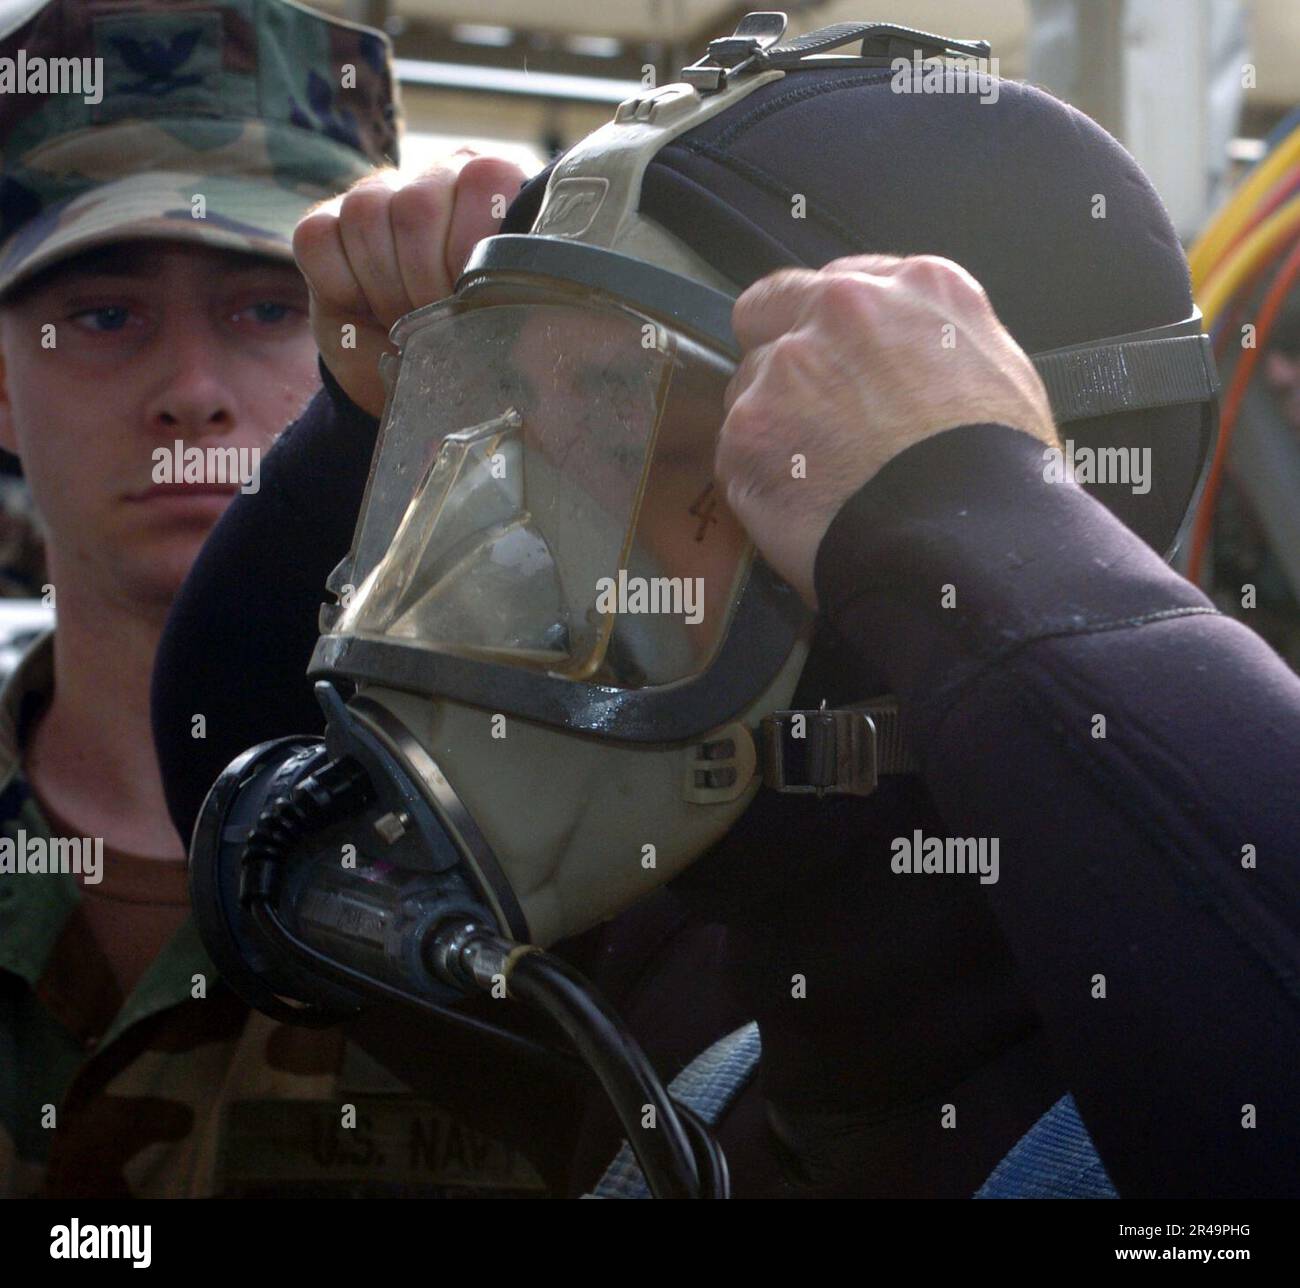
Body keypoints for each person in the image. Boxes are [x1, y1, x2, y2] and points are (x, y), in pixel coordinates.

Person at [152, 30, 1300, 1199]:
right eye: (531, 436)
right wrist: (355, 430)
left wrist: (962, 491)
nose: (534, 546)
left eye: (644, 440)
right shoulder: (681, 1023)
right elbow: (248, 814)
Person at [0, 0, 541, 1198]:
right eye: (103, 315)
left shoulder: (548, 862)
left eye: (268, 308)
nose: (190, 393)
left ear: (396, 350)